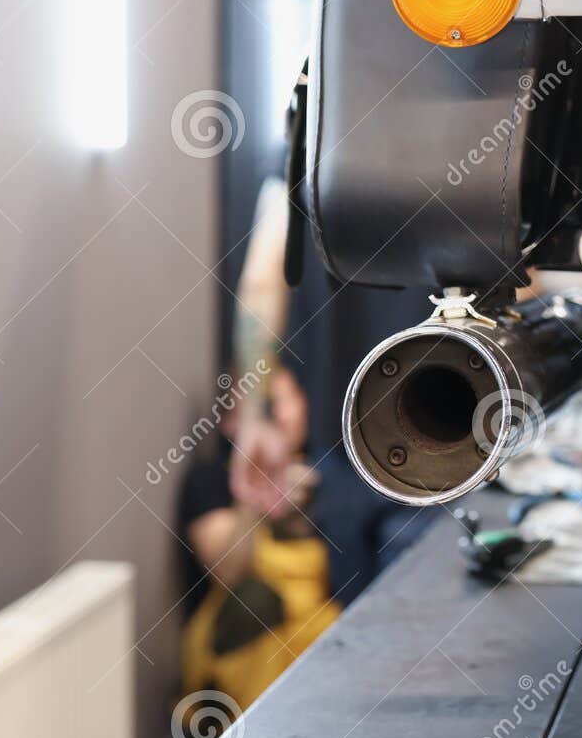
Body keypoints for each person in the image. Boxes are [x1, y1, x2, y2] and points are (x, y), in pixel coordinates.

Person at [176, 179, 432, 709]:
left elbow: (263, 283)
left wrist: (256, 419)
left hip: (359, 450)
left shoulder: (311, 151)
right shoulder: (468, 134)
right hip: (430, 443)